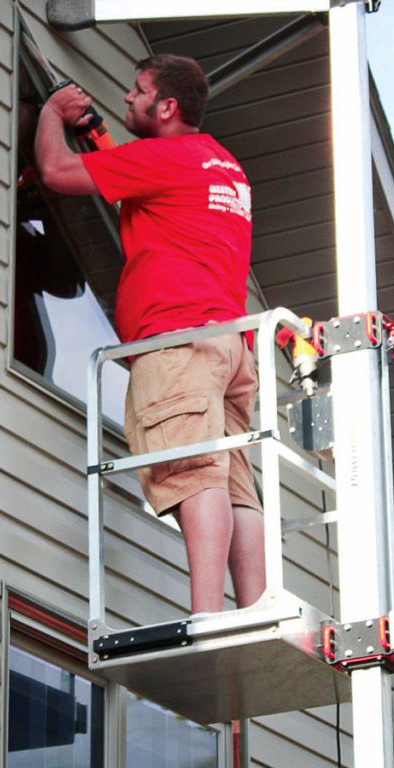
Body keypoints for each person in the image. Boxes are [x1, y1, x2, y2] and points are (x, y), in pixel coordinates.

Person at [34, 54, 265, 615]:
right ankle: (254, 610)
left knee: (192, 471)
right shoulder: (221, 166)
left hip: (176, 342)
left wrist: (50, 112)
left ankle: (206, 616)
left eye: (138, 92)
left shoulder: (164, 159)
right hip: (229, 346)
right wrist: (100, 140)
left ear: (167, 107)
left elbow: (56, 173)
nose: (127, 99)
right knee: (235, 482)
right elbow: (138, 184)